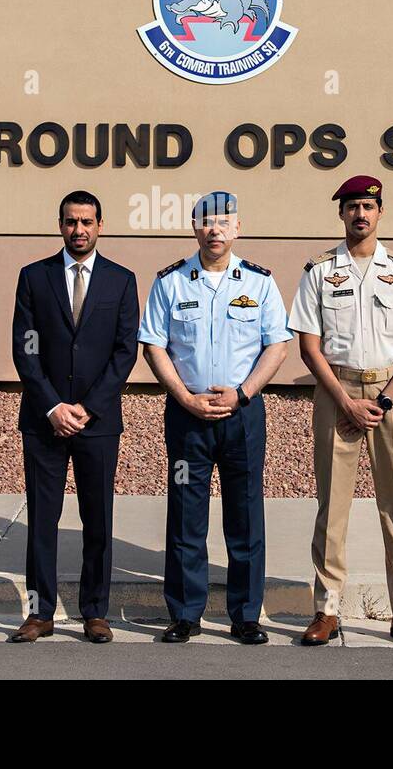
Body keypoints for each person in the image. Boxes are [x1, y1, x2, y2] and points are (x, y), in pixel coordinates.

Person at [288, 175, 393, 647]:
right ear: (341, 214)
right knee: (332, 507)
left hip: (389, 394)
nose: (360, 214)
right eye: (352, 206)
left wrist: (385, 398)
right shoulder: (318, 271)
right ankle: (327, 608)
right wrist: (345, 400)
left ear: (380, 213)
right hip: (337, 394)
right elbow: (309, 347)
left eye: (368, 207)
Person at [137, 191, 290, 644]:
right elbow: (154, 345)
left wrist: (244, 392)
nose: (215, 229)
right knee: (186, 515)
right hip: (188, 416)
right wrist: (184, 397)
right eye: (206, 222)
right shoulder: (171, 282)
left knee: (245, 515)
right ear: (194, 228)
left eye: (224, 221)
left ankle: (245, 616)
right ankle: (185, 614)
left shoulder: (260, 283)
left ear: (237, 228)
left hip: (242, 415)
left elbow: (276, 345)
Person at [8, 190, 139, 643]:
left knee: (97, 518)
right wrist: (52, 405)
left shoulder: (121, 281)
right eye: (70, 222)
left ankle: (94, 612)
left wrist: (87, 407)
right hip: (44, 420)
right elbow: (25, 349)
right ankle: (39, 612)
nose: (78, 230)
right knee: (43, 518)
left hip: (97, 422)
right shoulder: (34, 277)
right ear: (59, 225)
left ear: (100, 226)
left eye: (86, 222)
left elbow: (124, 354)